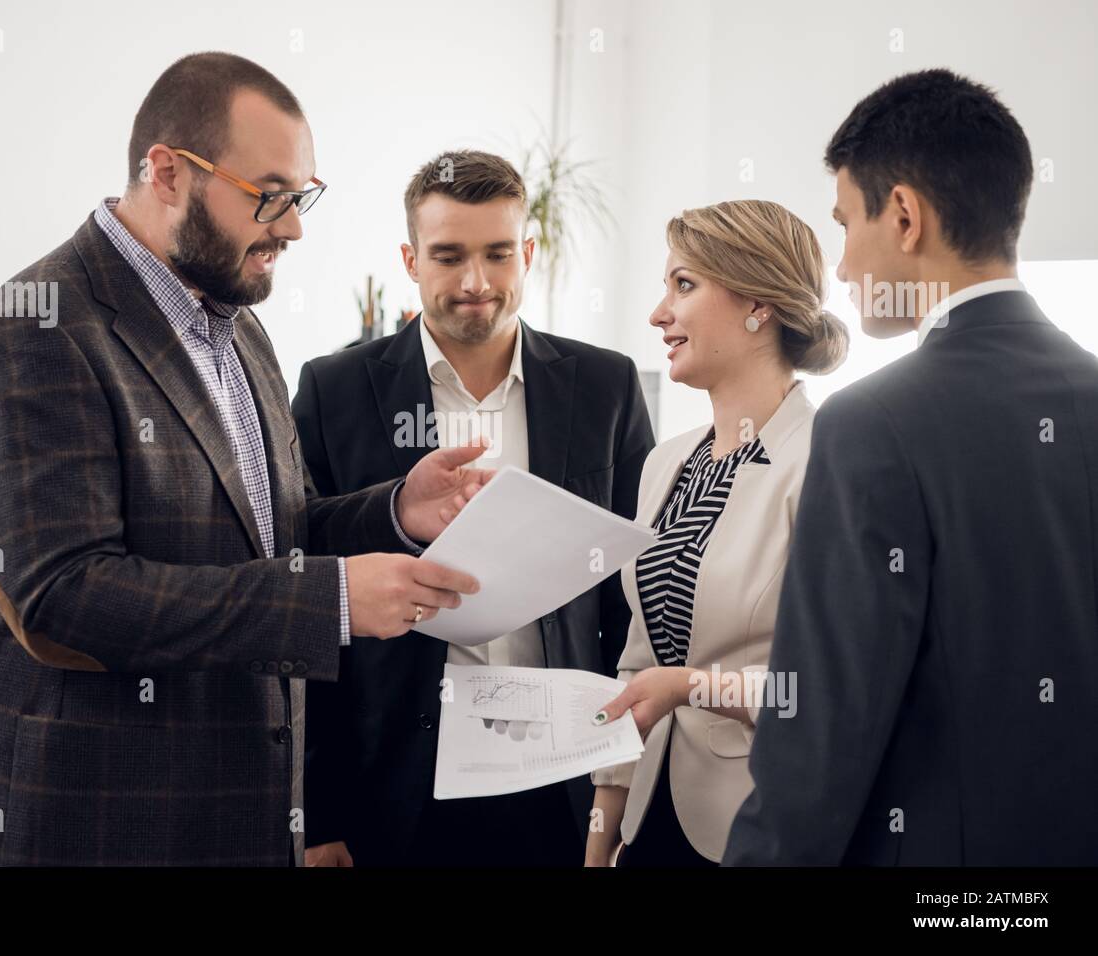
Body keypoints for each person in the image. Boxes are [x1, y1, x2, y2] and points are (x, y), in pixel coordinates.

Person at [0, 52, 490, 867]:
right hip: (90, 830)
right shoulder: (38, 326)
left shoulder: (238, 327)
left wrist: (394, 510)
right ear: (166, 172)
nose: (294, 226)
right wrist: (329, 601)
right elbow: (62, 595)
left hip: (241, 819)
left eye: (301, 197)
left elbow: (274, 533)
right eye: (269, 194)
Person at [724, 69, 1098, 865]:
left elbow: (819, 736)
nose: (842, 268)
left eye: (844, 223)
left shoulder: (872, 424)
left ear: (903, 216)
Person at [294, 149, 655, 866]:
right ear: (410, 258)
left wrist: (618, 790)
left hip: (561, 773)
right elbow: (306, 589)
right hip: (394, 781)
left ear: (527, 252)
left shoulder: (605, 385)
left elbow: (632, 595)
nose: (475, 282)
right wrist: (321, 812)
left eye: (497, 254)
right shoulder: (334, 389)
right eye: (449, 255)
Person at [587, 200, 848, 866]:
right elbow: (638, 665)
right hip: (649, 826)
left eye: (683, 284)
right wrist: (600, 839)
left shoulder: (827, 463)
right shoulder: (665, 464)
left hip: (760, 826)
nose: (657, 313)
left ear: (757, 304)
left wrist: (689, 686)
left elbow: (827, 686)